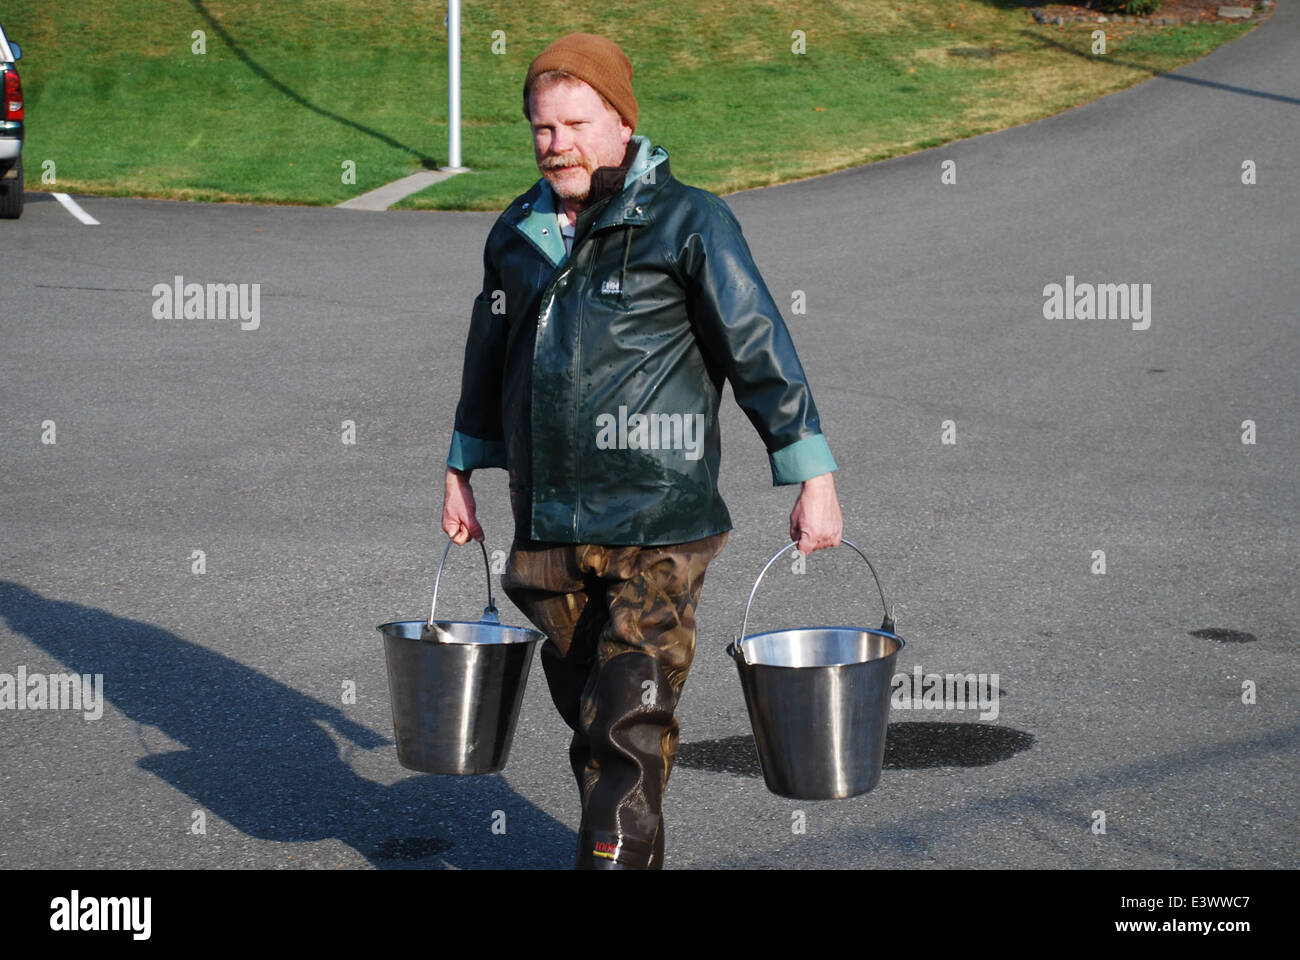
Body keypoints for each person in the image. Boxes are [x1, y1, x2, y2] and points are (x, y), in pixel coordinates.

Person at [441, 33, 843, 869]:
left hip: (660, 521)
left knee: (626, 719)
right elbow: (489, 356)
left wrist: (811, 473)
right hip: (547, 522)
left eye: (576, 124)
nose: (558, 146)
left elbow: (757, 345)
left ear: (622, 120)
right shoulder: (516, 233)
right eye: (543, 129)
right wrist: (461, 468)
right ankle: (627, 843)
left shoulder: (688, 220)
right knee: (595, 714)